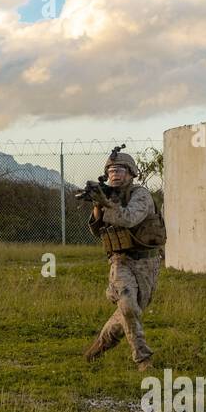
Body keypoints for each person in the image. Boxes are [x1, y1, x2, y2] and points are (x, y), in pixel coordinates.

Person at [82, 150, 166, 371]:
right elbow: (97, 232)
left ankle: (101, 344)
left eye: (119, 170)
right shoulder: (109, 195)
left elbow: (129, 219)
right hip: (120, 261)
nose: (115, 174)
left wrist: (107, 204)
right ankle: (143, 359)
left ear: (131, 173)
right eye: (110, 170)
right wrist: (98, 205)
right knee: (128, 306)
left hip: (146, 262)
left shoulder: (141, 195)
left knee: (129, 312)